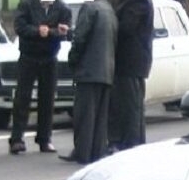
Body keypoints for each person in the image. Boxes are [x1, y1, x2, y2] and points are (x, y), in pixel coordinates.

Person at [8, 0, 72, 155]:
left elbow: (67, 32)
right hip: (28, 56)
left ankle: (45, 139)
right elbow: (20, 27)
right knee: (22, 98)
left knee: (48, 99)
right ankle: (17, 139)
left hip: (50, 57)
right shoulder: (26, 4)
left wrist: (51, 32)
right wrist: (37, 31)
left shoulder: (62, 8)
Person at [59, 0, 117, 164]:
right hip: (106, 70)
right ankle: (97, 153)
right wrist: (70, 32)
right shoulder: (109, 10)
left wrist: (73, 59)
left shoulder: (89, 8)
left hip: (89, 70)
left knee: (85, 115)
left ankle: (82, 152)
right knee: (100, 118)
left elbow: (81, 38)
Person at [108, 0, 153, 152]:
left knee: (130, 107)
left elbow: (126, 27)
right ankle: (127, 142)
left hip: (131, 62)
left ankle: (131, 144)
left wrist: (109, 21)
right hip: (127, 62)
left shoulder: (138, 3)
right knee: (125, 105)